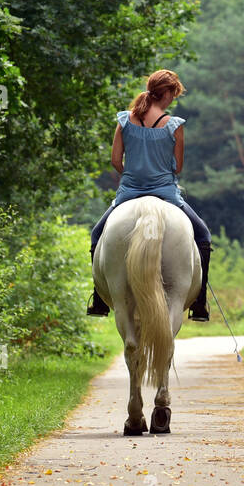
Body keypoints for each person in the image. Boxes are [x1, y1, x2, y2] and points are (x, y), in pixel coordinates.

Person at [88, 69, 212, 322]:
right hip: (166, 194)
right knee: (203, 236)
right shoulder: (174, 126)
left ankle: (99, 299)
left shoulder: (125, 121)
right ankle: (199, 303)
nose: (172, 100)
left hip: (128, 193)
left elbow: (114, 160)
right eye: (172, 95)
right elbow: (177, 168)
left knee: (97, 235)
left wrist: (132, 174)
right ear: (164, 92)